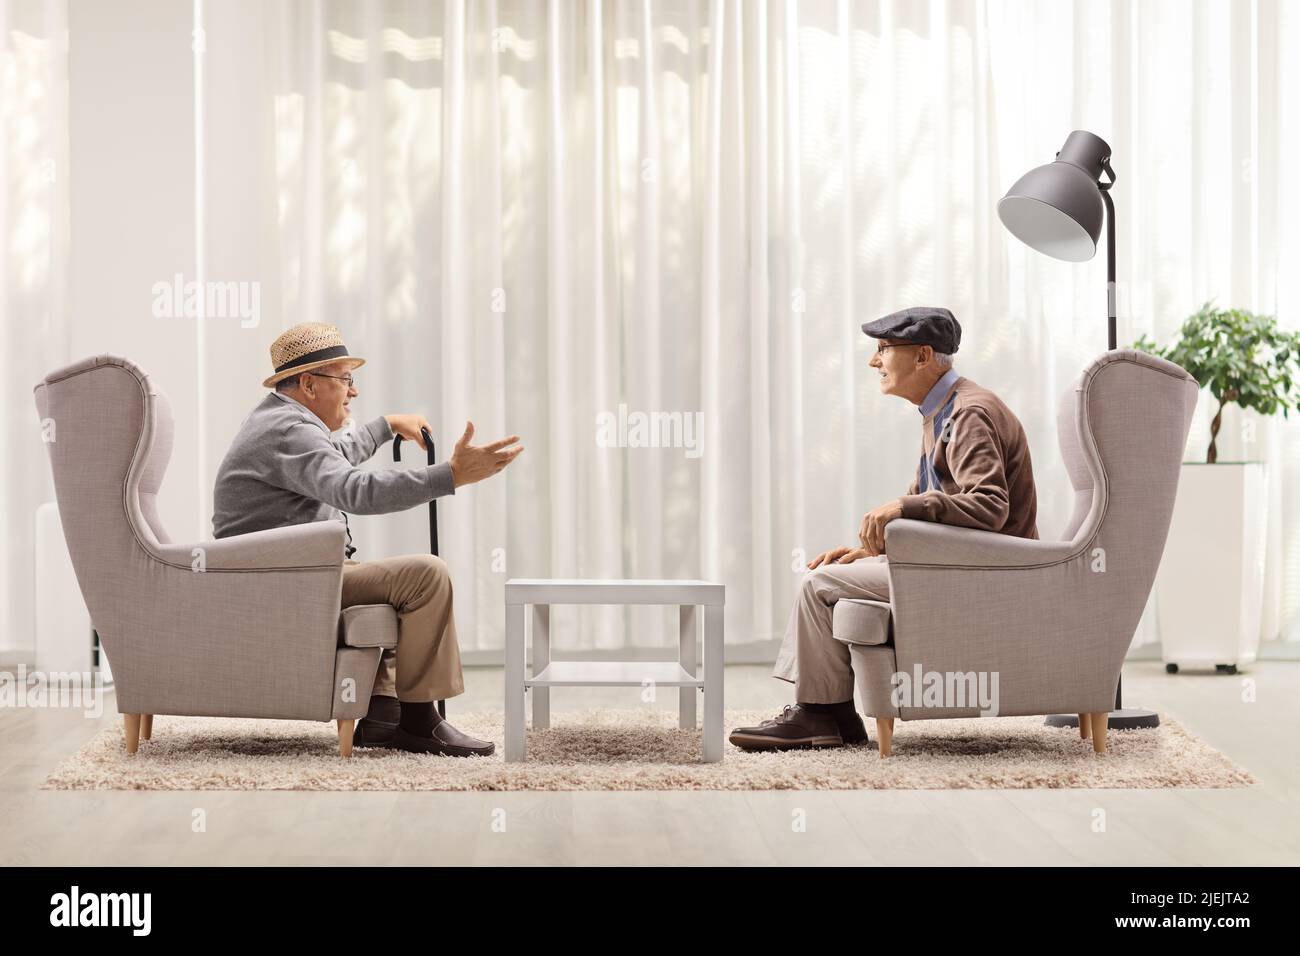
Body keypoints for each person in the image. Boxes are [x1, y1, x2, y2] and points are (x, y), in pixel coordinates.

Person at [729, 307, 1039, 750]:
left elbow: (990, 506)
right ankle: (829, 716)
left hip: (986, 574)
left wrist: (900, 507)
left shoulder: (968, 414)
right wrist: (872, 555)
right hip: (962, 563)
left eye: (883, 349)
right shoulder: (944, 411)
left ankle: (824, 718)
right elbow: (944, 515)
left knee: (818, 584)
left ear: (923, 356)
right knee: (831, 575)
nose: (875, 361)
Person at [213, 322, 523, 756]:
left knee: (394, 581)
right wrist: (451, 475)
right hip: (285, 581)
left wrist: (386, 426)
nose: (352, 392)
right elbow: (353, 490)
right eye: (345, 380)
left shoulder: (279, 421)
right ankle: (418, 720)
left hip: (286, 572)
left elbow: (333, 458)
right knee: (425, 576)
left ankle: (382, 716)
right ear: (308, 383)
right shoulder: (289, 430)